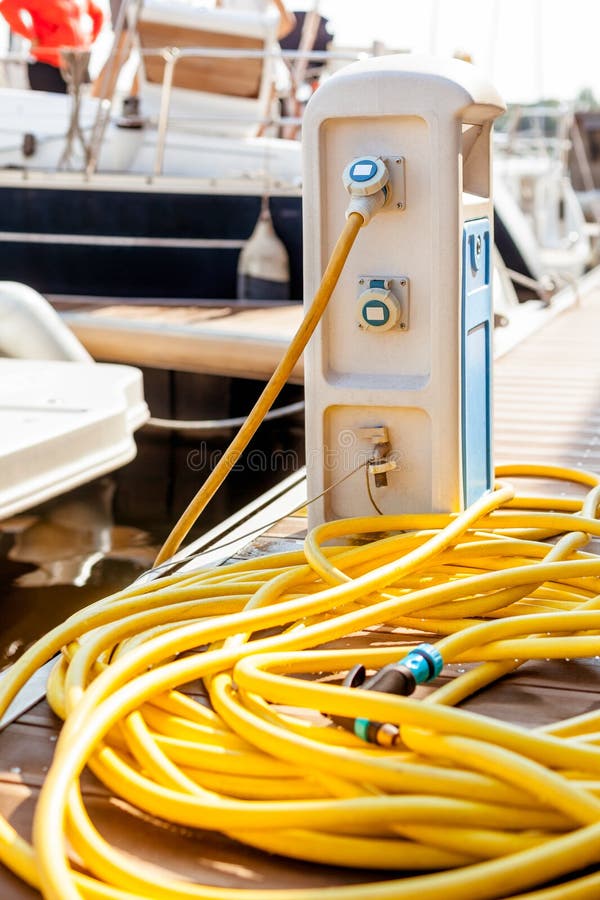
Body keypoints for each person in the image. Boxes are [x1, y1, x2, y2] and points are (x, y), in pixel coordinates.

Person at [0, 0, 103, 93]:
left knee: (81, 106)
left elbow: (98, 14)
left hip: (76, 64)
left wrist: (90, 39)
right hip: (47, 66)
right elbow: (7, 6)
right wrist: (29, 36)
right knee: (50, 107)